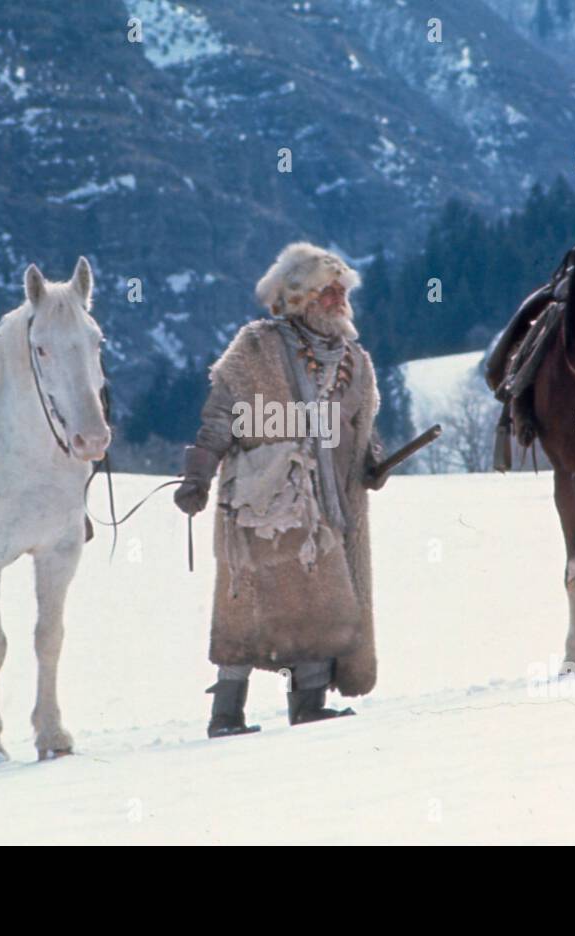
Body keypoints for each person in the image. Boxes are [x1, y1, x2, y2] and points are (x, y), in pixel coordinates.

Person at [174, 242, 385, 737]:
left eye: (341, 290)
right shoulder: (256, 347)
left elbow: (360, 425)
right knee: (245, 602)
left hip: (328, 506)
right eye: (327, 291)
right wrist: (197, 477)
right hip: (262, 500)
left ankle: (308, 704)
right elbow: (221, 418)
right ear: (299, 298)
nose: (338, 299)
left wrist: (372, 460)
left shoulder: (354, 360)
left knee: (320, 601)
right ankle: (226, 713)